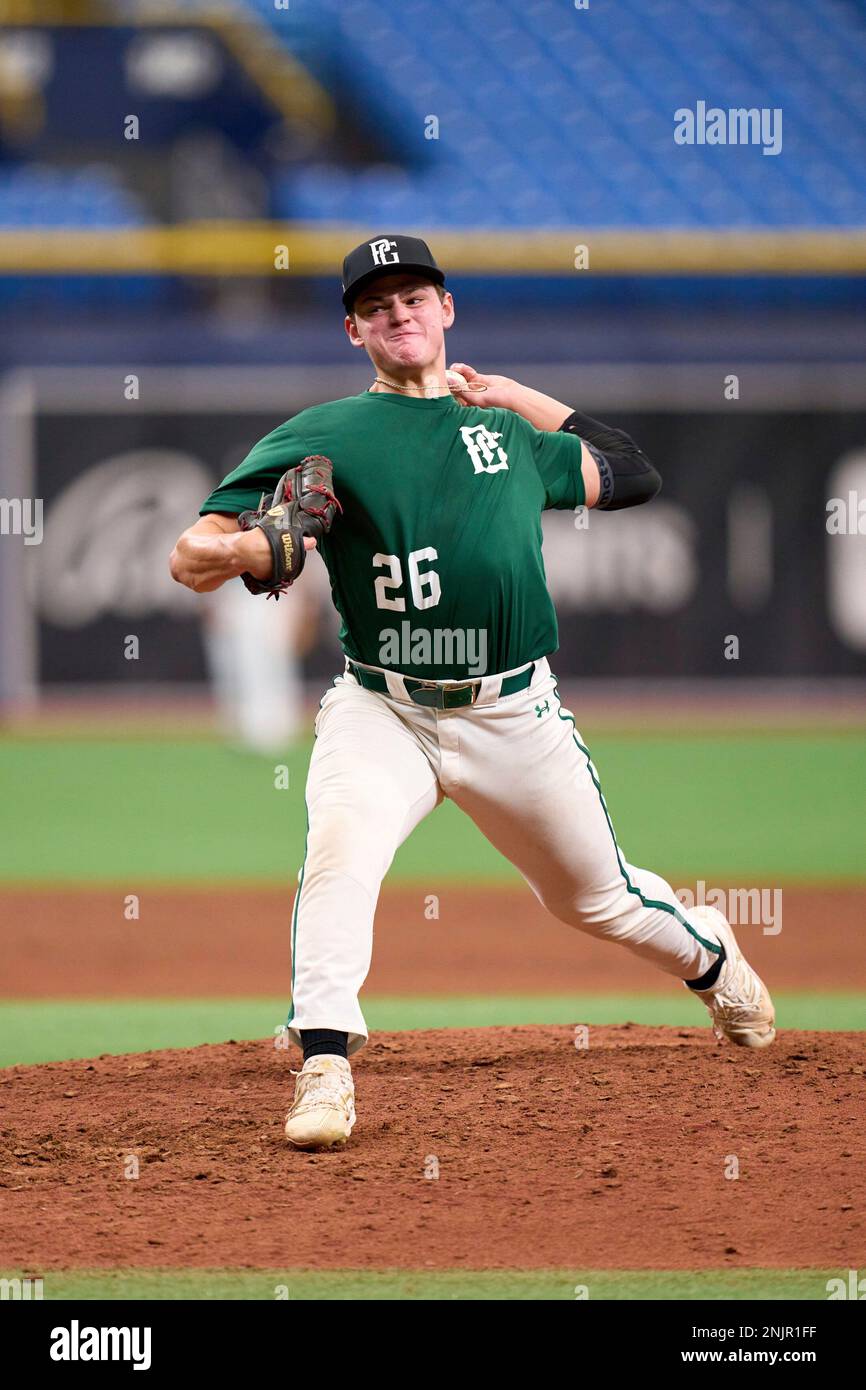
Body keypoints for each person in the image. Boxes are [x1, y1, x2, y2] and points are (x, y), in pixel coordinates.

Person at [169, 234, 775, 1151]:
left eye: (414, 298)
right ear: (353, 330)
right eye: (377, 307)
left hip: (514, 712)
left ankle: (711, 957)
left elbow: (632, 474)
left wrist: (511, 394)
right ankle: (325, 1063)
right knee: (340, 855)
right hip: (385, 706)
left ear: (446, 309)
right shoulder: (324, 434)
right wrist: (260, 546)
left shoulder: (505, 434)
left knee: (596, 900)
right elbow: (189, 555)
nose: (398, 315)